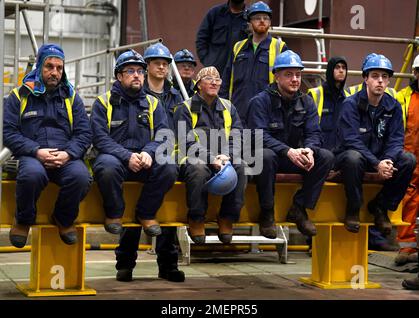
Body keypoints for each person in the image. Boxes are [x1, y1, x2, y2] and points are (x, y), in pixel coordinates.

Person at [90, 49, 184, 282]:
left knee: (169, 167)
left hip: (145, 159)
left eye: (139, 72)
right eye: (130, 71)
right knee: (106, 167)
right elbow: (100, 138)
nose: (136, 75)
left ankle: (146, 213)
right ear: (119, 76)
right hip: (116, 158)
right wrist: (126, 156)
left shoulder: (153, 103)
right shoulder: (104, 102)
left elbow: (164, 134)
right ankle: (114, 214)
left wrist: (149, 153)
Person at [4, 43, 92, 248]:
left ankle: (63, 218)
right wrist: (36, 151)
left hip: (65, 155)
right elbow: (8, 133)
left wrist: (68, 154)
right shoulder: (19, 96)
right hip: (33, 155)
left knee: (81, 177)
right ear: (39, 67)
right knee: (31, 176)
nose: (54, 72)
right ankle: (24, 219)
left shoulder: (72, 98)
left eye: (59, 68)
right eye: (49, 66)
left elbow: (84, 133)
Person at [247, 50, 334, 239]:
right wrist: (287, 151)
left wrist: (309, 150)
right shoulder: (260, 102)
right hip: (267, 161)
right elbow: (257, 136)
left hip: (294, 156)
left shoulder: (307, 102)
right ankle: (267, 212)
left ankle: (299, 207)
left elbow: (314, 133)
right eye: (289, 74)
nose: (295, 79)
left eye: (298, 74)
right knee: (265, 155)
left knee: (326, 157)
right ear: (276, 76)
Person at [334, 54, 416, 234]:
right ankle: (353, 209)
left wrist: (387, 160)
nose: (380, 81)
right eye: (375, 76)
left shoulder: (392, 106)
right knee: (353, 158)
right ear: (365, 78)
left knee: (408, 159)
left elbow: (396, 140)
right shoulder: (350, 104)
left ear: (388, 81)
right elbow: (351, 141)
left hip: (379, 157)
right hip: (352, 156)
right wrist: (376, 163)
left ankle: (381, 206)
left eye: (384, 77)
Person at [174, 66, 247, 245]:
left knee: (241, 166)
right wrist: (210, 158)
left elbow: (237, 135)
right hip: (192, 157)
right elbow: (186, 141)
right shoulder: (185, 108)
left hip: (223, 158)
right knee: (198, 169)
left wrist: (227, 156)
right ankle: (197, 218)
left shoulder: (228, 107)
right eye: (208, 78)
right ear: (198, 84)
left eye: (218, 79)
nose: (214, 82)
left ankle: (227, 217)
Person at [221, 1, 288, 125]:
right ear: (249, 22)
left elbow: (286, 83)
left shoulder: (279, 47)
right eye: (257, 18)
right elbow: (226, 79)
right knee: (237, 144)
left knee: (259, 143)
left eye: (266, 18)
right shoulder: (238, 47)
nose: (262, 21)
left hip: (265, 114)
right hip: (237, 113)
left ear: (270, 22)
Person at [394, 55, 419, 265]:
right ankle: (406, 247)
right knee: (408, 201)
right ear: (416, 73)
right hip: (411, 159)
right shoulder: (403, 97)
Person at [196, 0, 248, 77]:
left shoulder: (250, 17)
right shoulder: (215, 13)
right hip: (215, 72)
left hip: (240, 72)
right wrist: (207, 61)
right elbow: (201, 39)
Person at [308, 56, 350, 151]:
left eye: (344, 68)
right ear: (330, 70)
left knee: (354, 158)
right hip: (319, 150)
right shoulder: (315, 94)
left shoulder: (348, 97)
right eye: (337, 67)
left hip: (341, 150)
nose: (341, 71)